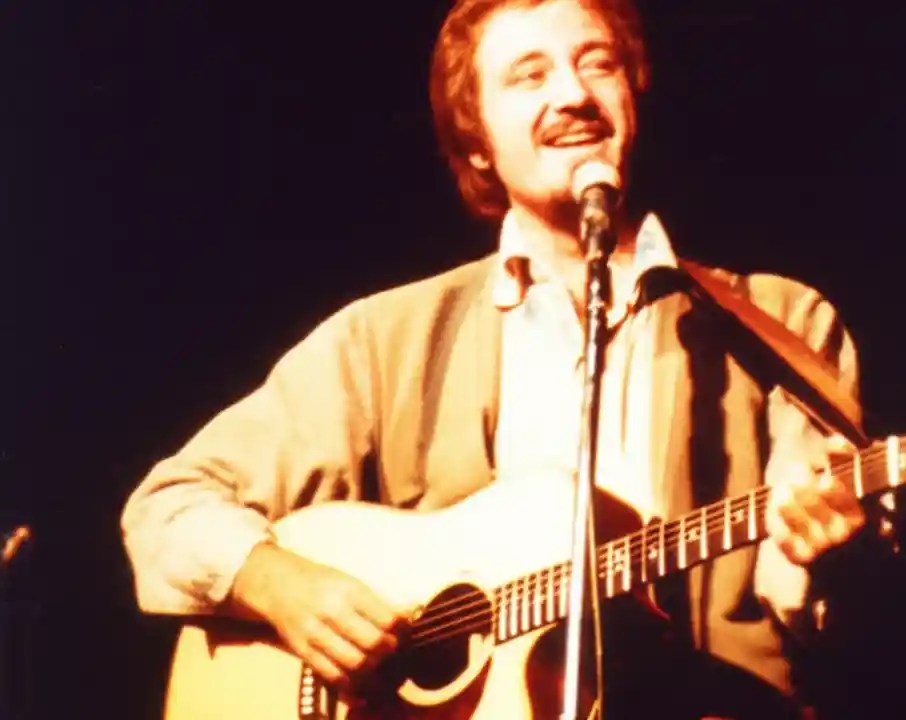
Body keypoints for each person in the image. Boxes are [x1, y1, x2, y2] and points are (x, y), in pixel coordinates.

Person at [120, 0, 866, 716]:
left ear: (633, 96)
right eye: (529, 75)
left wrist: (817, 557)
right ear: (476, 138)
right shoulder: (390, 340)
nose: (573, 94)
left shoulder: (781, 323)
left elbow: (820, 623)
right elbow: (169, 508)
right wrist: (281, 586)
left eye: (597, 63)